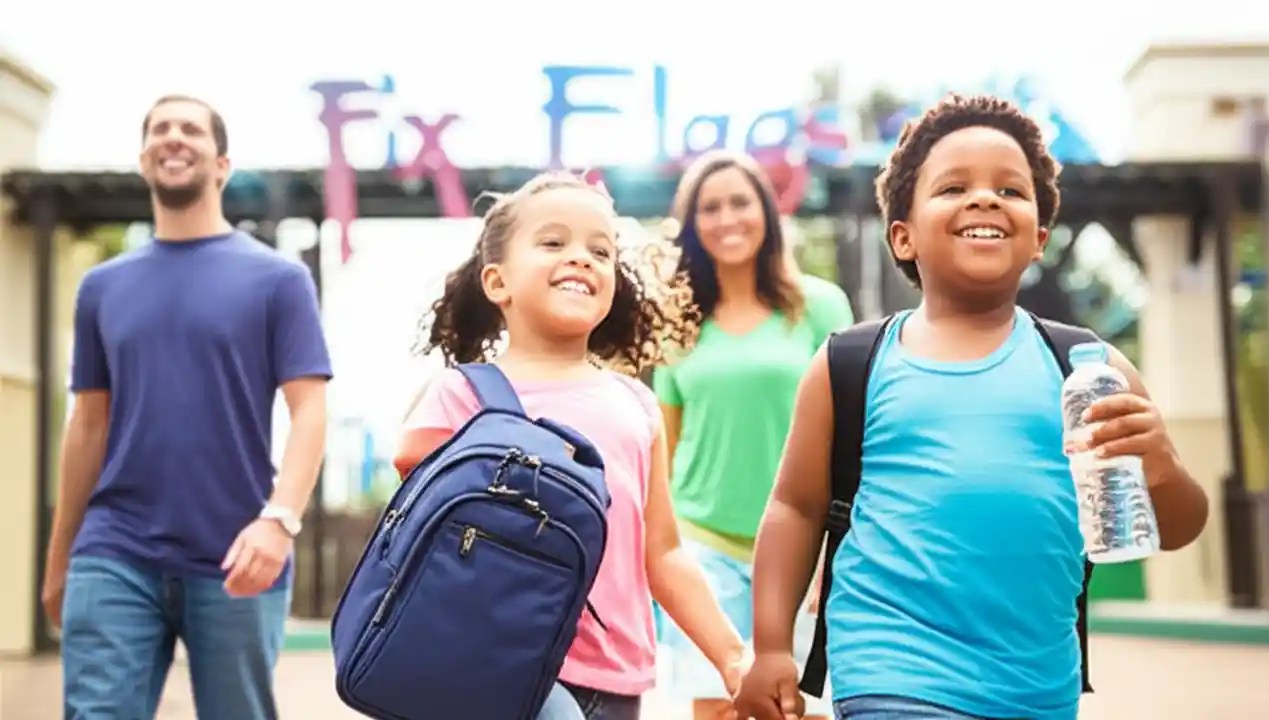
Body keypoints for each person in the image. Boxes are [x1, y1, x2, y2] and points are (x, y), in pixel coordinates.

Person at [734, 94, 1211, 720]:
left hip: (1039, 686)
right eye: (953, 187)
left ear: (1040, 237)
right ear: (902, 236)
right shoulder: (851, 364)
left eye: (1011, 191)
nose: (985, 200)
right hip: (891, 669)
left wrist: (1161, 466)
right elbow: (794, 507)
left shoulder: (1089, 368)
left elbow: (1176, 528)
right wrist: (770, 648)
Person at [392, 171, 748, 720]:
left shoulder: (635, 404)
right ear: (497, 282)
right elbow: (420, 515)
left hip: (617, 679)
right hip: (503, 671)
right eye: (553, 243)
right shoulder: (463, 394)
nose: (581, 258)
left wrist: (731, 656)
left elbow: (665, 553)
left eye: (600, 250)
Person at [42, 95, 333, 719]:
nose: (174, 138)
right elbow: (88, 424)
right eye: (159, 129)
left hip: (237, 554)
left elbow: (310, 411)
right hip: (114, 549)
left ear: (221, 164)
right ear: (145, 159)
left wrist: (279, 521)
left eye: (191, 129)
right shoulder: (102, 287)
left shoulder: (278, 281)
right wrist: (61, 551)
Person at [651, 150, 854, 720]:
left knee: (804, 708)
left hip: (803, 545)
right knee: (718, 708)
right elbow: (665, 450)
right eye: (709, 208)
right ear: (692, 226)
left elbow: (850, 430)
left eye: (740, 202)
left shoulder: (817, 306)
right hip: (704, 542)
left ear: (765, 211)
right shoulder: (677, 320)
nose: (726, 218)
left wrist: (833, 539)